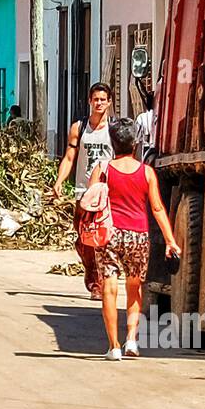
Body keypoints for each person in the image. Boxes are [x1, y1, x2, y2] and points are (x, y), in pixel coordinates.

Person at [86, 116, 180, 361]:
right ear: (136, 144)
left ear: (112, 143)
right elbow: (158, 209)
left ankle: (113, 346)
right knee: (134, 288)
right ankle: (131, 341)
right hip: (138, 236)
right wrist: (170, 240)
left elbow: (90, 200)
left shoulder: (102, 169)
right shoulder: (147, 173)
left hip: (109, 234)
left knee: (109, 287)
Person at [52, 82, 116, 303]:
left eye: (103, 99)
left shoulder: (115, 129)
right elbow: (70, 157)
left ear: (109, 102)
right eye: (95, 99)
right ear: (90, 101)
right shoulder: (79, 128)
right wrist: (59, 181)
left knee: (102, 239)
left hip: (107, 194)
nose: (99, 103)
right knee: (84, 239)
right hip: (83, 192)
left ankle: (99, 284)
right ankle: (92, 274)